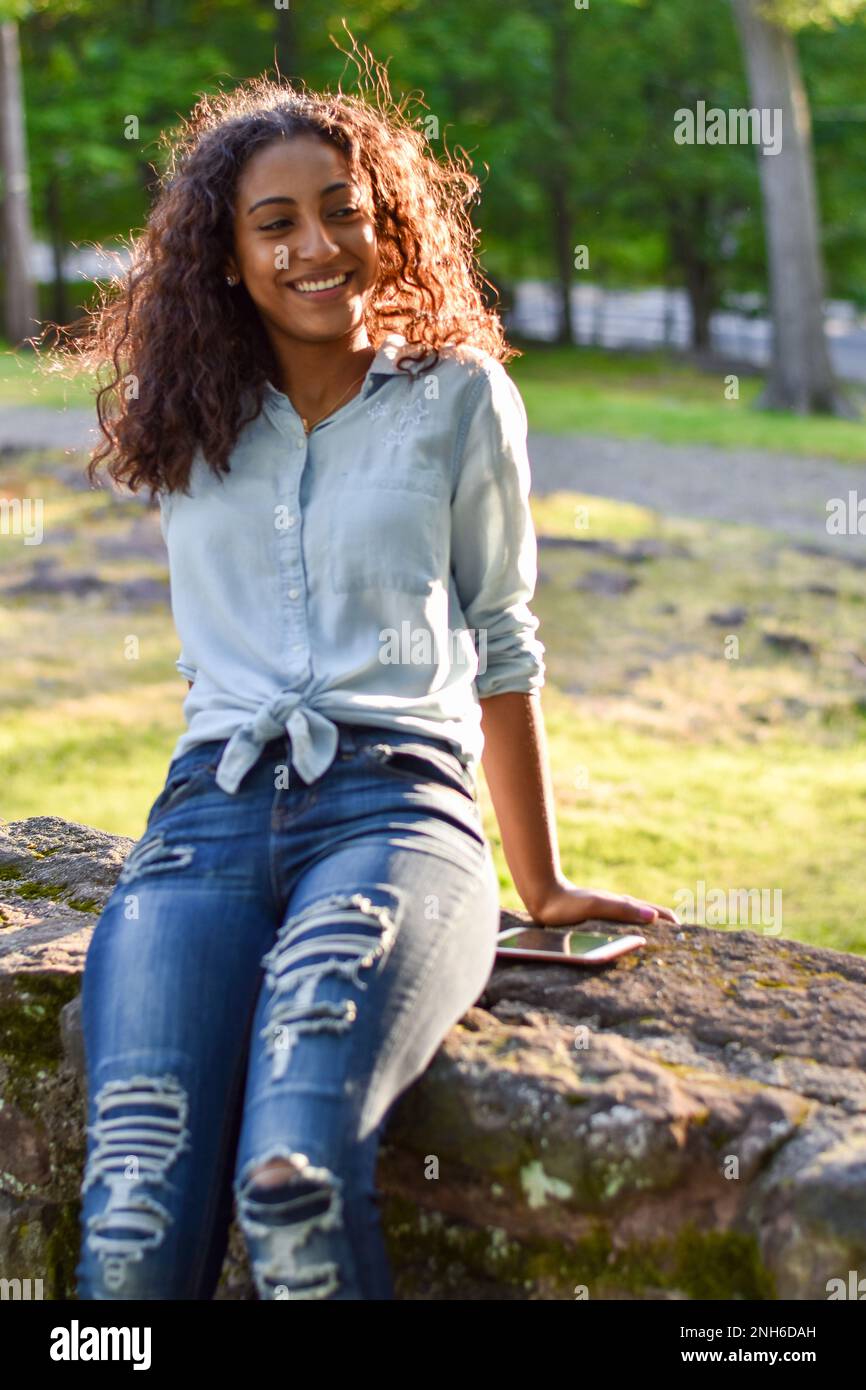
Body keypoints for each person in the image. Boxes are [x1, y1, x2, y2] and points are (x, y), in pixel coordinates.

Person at [68, 63, 677, 1301]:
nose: (315, 246)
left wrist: (542, 881)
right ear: (225, 257)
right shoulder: (183, 411)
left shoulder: (458, 399)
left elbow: (502, 643)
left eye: (342, 208)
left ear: (388, 220)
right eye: (275, 223)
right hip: (203, 828)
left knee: (288, 1177)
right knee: (131, 1210)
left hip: (396, 814)